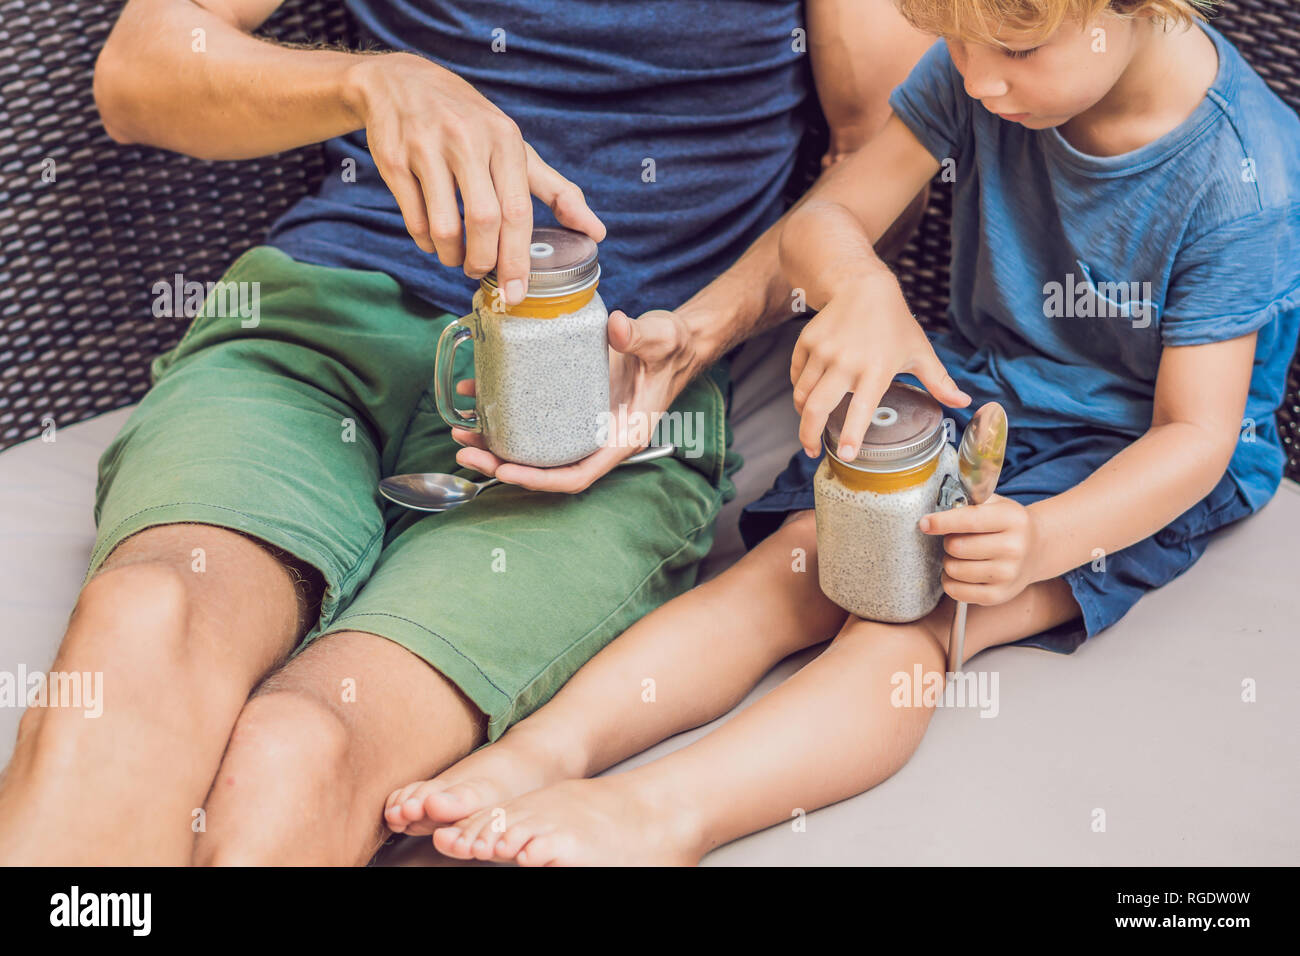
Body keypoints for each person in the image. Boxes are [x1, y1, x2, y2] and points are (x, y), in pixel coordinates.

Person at [0, 0, 932, 864]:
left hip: (605, 409)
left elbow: (873, 162)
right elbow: (139, 70)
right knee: (146, 615)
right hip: (320, 320)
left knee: (301, 746)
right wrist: (370, 81)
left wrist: (698, 337)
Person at [384, 0, 1300, 865]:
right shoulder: (980, 55)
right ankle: (542, 753)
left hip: (1123, 466)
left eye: (1015, 53)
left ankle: (660, 813)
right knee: (793, 566)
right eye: (959, 42)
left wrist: (1041, 542)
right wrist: (859, 285)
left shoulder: (1239, 178)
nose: (977, 81)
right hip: (974, 398)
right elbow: (825, 220)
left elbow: (1195, 436)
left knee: (910, 619)